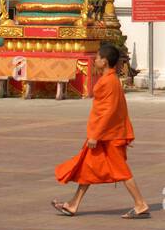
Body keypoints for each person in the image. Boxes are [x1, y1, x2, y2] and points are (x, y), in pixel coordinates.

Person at [52, 43, 149, 219]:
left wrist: (95, 135)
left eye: (97, 58)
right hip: (105, 135)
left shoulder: (109, 82)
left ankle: (140, 203)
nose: (95, 60)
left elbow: (110, 111)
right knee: (87, 168)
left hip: (108, 136)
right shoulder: (110, 80)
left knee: (122, 172)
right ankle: (73, 204)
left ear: (104, 62)